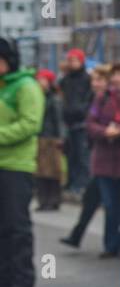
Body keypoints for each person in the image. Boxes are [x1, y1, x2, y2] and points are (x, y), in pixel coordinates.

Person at [0, 37, 44, 287]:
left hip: (16, 165)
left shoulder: (26, 86)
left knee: (16, 227)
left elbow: (30, 124)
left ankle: (23, 282)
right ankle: (4, 280)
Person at [85, 62, 120, 259]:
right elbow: (90, 124)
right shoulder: (102, 98)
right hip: (104, 162)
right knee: (110, 206)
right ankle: (110, 244)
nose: (116, 79)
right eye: (114, 74)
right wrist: (105, 132)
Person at [59, 65, 108, 250]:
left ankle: (115, 242)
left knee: (113, 204)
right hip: (97, 155)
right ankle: (76, 235)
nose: (94, 83)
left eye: (98, 80)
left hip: (107, 159)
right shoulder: (94, 99)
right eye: (93, 79)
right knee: (91, 199)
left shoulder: (107, 100)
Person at [58, 47, 92, 198]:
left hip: (81, 122)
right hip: (69, 122)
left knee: (82, 156)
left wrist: (81, 110)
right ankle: (71, 183)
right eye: (69, 60)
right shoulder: (66, 79)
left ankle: (82, 185)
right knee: (70, 155)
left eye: (74, 60)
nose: (71, 63)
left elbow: (88, 99)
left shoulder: (86, 78)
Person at [33, 69, 63, 211]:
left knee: (52, 171)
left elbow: (59, 120)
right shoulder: (37, 97)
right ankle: (43, 200)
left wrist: (60, 137)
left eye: (42, 80)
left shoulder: (54, 99)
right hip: (40, 137)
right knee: (40, 171)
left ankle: (53, 200)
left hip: (51, 138)